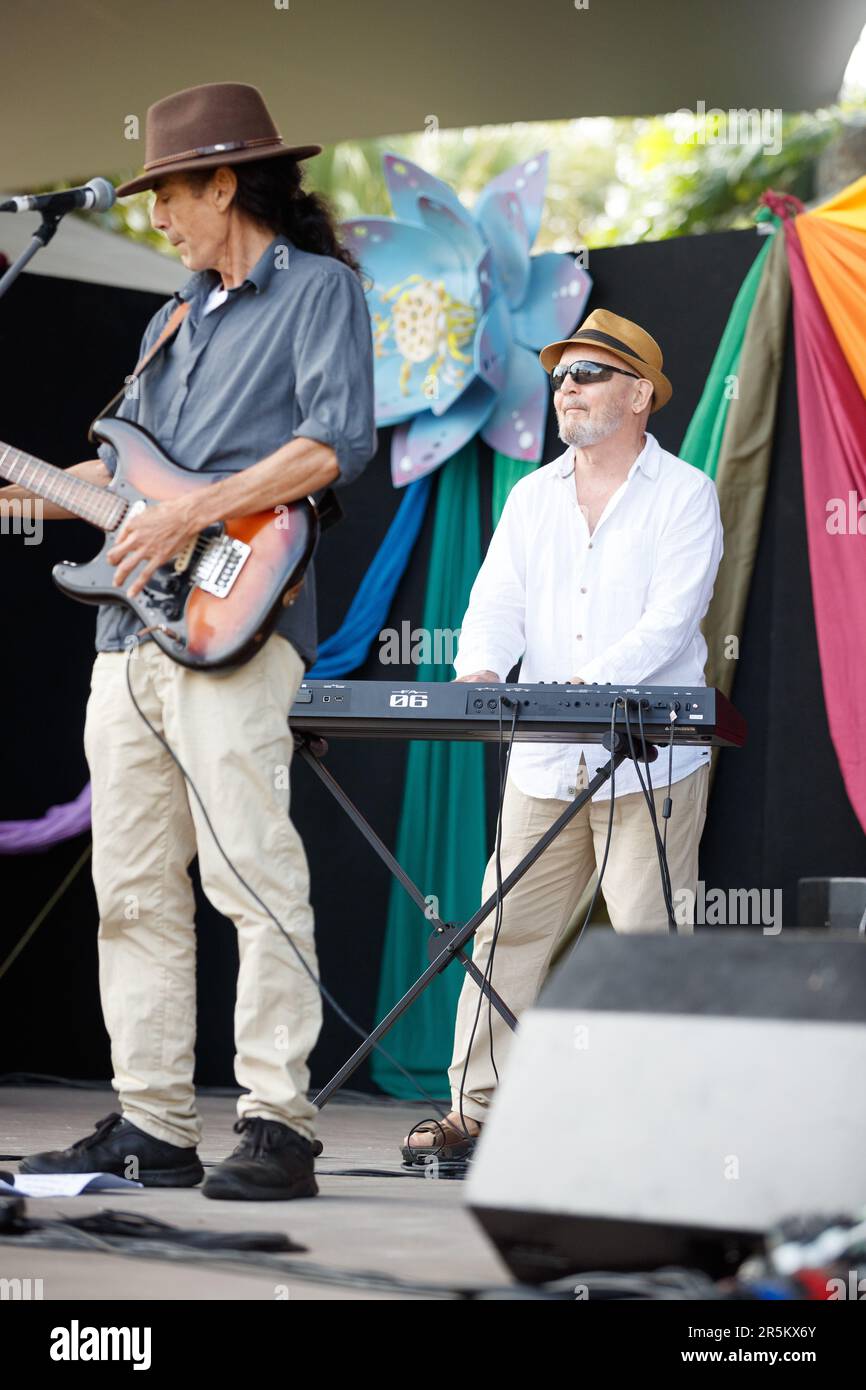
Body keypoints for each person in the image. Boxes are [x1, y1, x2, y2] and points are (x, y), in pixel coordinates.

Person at [10, 82, 376, 1200]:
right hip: (128, 634)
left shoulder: (318, 290)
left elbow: (331, 446)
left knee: (250, 871)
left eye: (166, 193)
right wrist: (26, 493)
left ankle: (278, 1120)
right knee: (129, 886)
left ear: (225, 183)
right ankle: (152, 1121)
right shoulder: (167, 317)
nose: (156, 217)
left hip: (235, 619)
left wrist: (190, 512)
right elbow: (118, 486)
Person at [402, 309, 723, 1167]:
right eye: (559, 378)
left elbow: (669, 623)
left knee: (650, 941)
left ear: (642, 394)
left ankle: (668, 1129)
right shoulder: (532, 495)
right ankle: (475, 1115)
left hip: (648, 762)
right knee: (506, 932)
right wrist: (476, 673)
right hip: (545, 756)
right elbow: (495, 604)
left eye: (587, 375)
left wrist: (579, 690)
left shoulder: (686, 493)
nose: (566, 389)